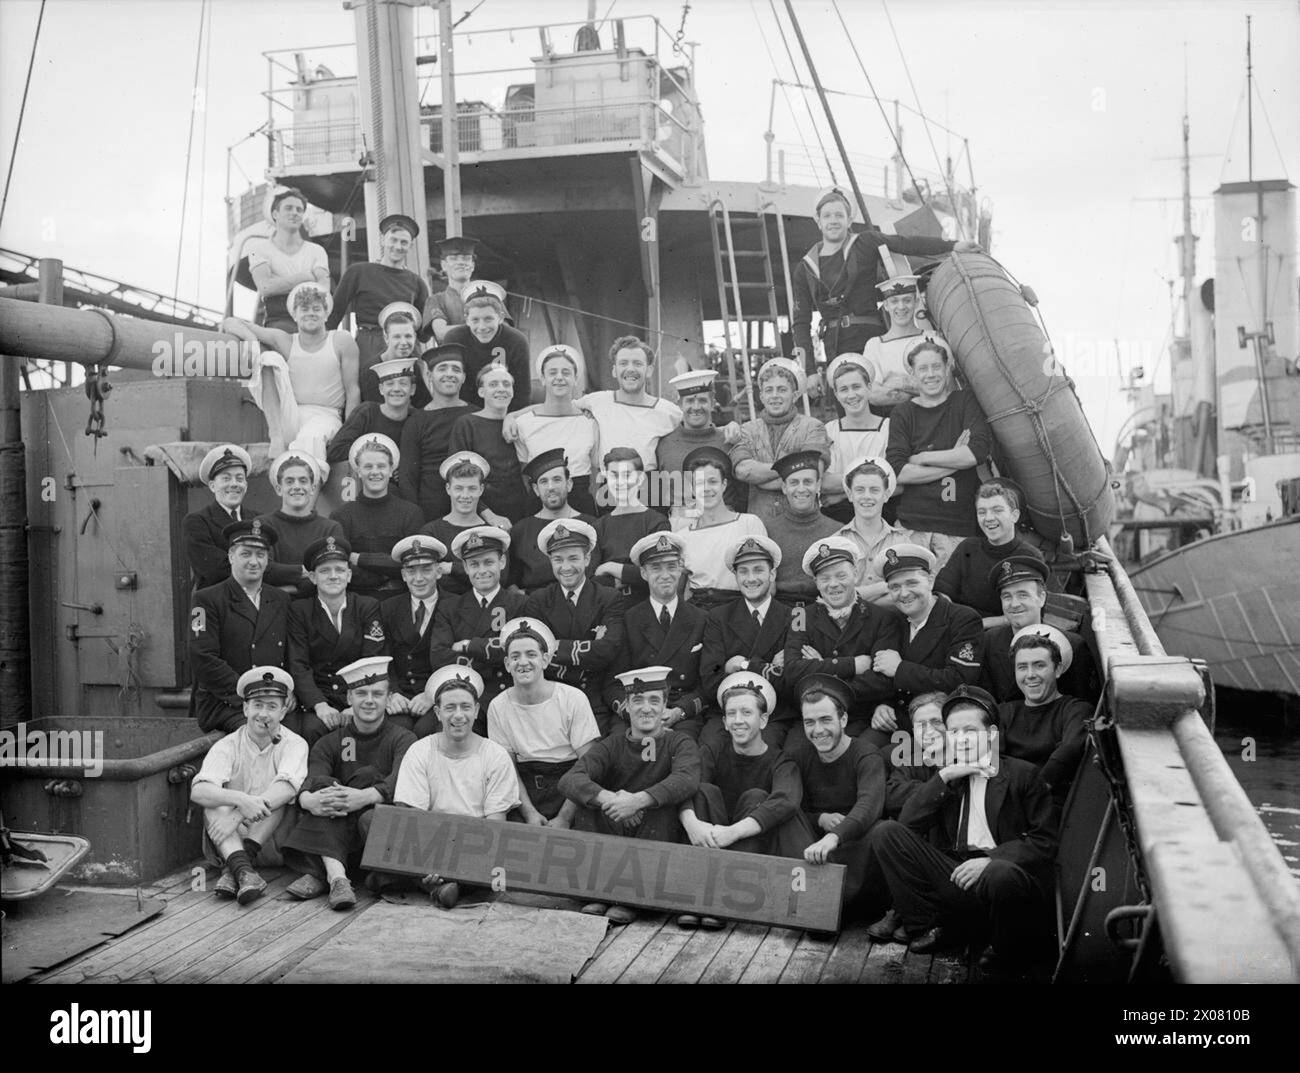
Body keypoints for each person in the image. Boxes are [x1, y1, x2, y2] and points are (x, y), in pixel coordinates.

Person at [867, 685, 1058, 977]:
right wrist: (943, 776)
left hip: (1002, 878)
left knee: (998, 874)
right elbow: (908, 822)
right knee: (886, 833)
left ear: (991, 735)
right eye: (954, 732)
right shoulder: (950, 776)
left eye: (970, 731)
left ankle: (1004, 947)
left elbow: (1044, 842)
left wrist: (991, 858)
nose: (961, 739)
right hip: (957, 873)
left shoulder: (1022, 774)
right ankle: (934, 925)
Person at [558, 665, 703, 924]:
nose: (646, 708)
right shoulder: (613, 744)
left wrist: (637, 801)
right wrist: (611, 800)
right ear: (626, 705)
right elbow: (570, 779)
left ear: (664, 705)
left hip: (655, 836)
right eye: (637, 700)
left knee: (666, 802)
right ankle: (600, 891)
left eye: (654, 700)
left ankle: (633, 898)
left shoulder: (680, 742)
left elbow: (687, 779)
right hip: (615, 827)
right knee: (588, 799)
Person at [677, 671, 812, 929]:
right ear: (725, 722)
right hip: (709, 836)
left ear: (763, 720)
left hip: (750, 857)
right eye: (731, 714)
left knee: (757, 797)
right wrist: (691, 821)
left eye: (747, 713)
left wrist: (733, 832)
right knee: (703, 791)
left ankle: (723, 900)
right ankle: (700, 899)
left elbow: (787, 801)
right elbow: (685, 784)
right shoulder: (713, 750)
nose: (738, 721)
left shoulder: (780, 760)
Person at [281, 656, 416, 909]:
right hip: (336, 830)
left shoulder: (403, 739)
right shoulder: (330, 742)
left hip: (374, 839)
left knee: (367, 776)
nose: (369, 700)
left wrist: (364, 797)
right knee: (324, 783)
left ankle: (321, 874)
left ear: (388, 699)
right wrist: (307, 799)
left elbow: (401, 780)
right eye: (361, 693)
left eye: (377, 694)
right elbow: (312, 779)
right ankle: (338, 878)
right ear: (348, 699)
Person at [789, 186, 973, 371]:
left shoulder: (865, 243)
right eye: (827, 216)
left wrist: (954, 245)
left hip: (872, 342)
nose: (833, 221)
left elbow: (905, 244)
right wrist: (809, 371)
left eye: (839, 215)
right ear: (818, 221)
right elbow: (801, 322)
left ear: (849, 219)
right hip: (835, 347)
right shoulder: (804, 268)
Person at [392, 665, 522, 908]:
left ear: (476, 711)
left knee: (509, 848)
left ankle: (432, 883)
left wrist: (455, 860)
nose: (458, 715)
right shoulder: (420, 750)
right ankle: (442, 883)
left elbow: (495, 823)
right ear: (438, 712)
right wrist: (428, 860)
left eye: (465, 707)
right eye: (450, 708)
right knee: (372, 822)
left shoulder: (495, 754)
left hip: (476, 842)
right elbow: (412, 818)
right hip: (428, 841)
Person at [189, 665, 308, 904]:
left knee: (279, 797)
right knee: (214, 802)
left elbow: (287, 788)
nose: (263, 714)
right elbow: (198, 791)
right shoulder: (227, 745)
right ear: (245, 708)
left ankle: (238, 867)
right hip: (228, 840)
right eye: (257, 705)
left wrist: (238, 813)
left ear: (283, 712)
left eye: (272, 706)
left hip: (274, 843)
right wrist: (240, 801)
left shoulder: (295, 743)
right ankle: (244, 872)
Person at [885, 339, 993, 569]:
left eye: (936, 367)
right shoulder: (903, 413)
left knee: (952, 599)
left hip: (958, 526)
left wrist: (923, 458)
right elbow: (898, 471)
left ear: (947, 369)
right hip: (912, 525)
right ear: (912, 375)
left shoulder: (964, 401)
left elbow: (977, 452)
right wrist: (955, 460)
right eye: (923, 369)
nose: (930, 374)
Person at [225, 281, 359, 466]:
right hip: (292, 413)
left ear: (326, 314)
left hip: (326, 415)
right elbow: (230, 322)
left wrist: (348, 434)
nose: (310, 313)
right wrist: (250, 339)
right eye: (304, 309)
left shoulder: (341, 340)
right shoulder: (285, 340)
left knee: (309, 438)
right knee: (268, 358)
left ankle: (309, 488)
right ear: (294, 315)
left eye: (316, 308)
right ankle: (276, 436)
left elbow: (353, 391)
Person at [792, 673, 890, 920]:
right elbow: (792, 807)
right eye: (809, 722)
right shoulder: (800, 755)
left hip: (854, 842)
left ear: (843, 718)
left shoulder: (865, 754)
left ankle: (833, 907)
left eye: (826, 720)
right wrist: (820, 819)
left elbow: (869, 805)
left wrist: (835, 836)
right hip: (814, 844)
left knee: (883, 830)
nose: (818, 730)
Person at [487, 617, 602, 825]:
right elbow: (507, 768)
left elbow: (589, 764)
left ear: (545, 659)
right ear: (507, 664)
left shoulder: (572, 698)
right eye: (515, 656)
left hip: (571, 789)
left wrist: (565, 818)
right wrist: (529, 813)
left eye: (531, 654)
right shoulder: (497, 706)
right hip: (525, 794)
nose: (523, 662)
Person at [867, 543, 984, 746]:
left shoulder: (962, 619)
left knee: (895, 759)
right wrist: (881, 705)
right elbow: (880, 675)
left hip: (944, 723)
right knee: (864, 750)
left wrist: (900, 669)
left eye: (911, 583)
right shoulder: (893, 620)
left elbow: (960, 680)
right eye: (895, 587)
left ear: (930, 580)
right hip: (899, 719)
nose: (903, 593)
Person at [782, 537, 897, 742]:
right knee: (794, 752)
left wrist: (819, 668)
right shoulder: (800, 616)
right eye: (824, 578)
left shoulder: (882, 618)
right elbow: (791, 671)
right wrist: (853, 665)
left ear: (855, 573)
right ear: (816, 582)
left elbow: (882, 681)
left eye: (841, 575)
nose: (833, 585)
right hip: (814, 718)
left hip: (863, 716)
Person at [520, 519, 623, 733]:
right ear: (550, 561)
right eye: (558, 559)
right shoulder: (538, 601)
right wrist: (590, 646)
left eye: (573, 558)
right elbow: (536, 656)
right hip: (552, 700)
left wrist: (554, 645)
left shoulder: (608, 598)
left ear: (587, 558)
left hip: (595, 700)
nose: (566, 567)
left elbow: (608, 650)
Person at [190, 519, 291, 734]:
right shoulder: (206, 599)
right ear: (231, 557)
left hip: (273, 700)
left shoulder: (281, 599)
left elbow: (291, 652)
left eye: (260, 555)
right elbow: (203, 657)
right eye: (246, 554)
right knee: (264, 734)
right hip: (227, 703)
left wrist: (288, 692)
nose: (254, 562)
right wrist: (251, 694)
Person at [605, 532, 709, 741]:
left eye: (672, 566)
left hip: (682, 713)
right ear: (643, 573)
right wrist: (633, 712)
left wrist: (680, 711)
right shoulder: (628, 619)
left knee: (684, 752)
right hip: (636, 710)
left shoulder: (702, 619)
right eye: (655, 568)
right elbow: (611, 684)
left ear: (681, 568)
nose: (665, 575)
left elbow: (708, 682)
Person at [285, 536, 386, 746]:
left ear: (349, 575)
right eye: (325, 571)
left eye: (339, 570)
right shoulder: (300, 610)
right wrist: (318, 704)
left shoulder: (366, 606)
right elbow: (298, 664)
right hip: (320, 695)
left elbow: (371, 658)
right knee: (312, 730)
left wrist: (355, 702)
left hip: (357, 692)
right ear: (312, 577)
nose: (333, 576)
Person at [426, 526, 525, 732]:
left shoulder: (520, 604)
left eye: (489, 562)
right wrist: (492, 660)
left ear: (502, 562)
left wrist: (467, 645)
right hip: (465, 697)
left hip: (508, 695)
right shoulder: (450, 607)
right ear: (465, 566)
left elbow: (518, 653)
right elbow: (439, 657)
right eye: (474, 564)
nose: (482, 571)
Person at [699, 536, 794, 751]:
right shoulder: (718, 617)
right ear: (735, 576)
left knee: (766, 749)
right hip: (726, 713)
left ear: (772, 573)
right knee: (710, 747)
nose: (751, 578)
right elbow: (710, 677)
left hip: (774, 715)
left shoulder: (794, 616)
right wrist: (769, 667)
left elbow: (791, 680)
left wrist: (740, 665)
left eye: (758, 570)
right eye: (743, 571)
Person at [327, 212, 432, 404]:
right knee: (370, 395)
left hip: (404, 346)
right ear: (383, 239)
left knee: (414, 398)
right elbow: (333, 315)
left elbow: (424, 333)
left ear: (410, 246)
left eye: (404, 242)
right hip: (369, 343)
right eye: (393, 239)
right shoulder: (358, 272)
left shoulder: (416, 283)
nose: (398, 246)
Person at [566, 336, 682, 498]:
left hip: (650, 489)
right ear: (614, 370)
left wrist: (728, 427)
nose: (630, 369)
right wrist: (516, 418)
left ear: (649, 370)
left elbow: (696, 429)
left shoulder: (669, 412)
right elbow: (559, 408)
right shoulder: (597, 401)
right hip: (610, 489)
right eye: (623, 363)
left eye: (637, 363)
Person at [325, 323, 429, 499]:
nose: (396, 389)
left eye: (403, 384)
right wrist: (378, 459)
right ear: (381, 389)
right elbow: (336, 451)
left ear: (412, 390)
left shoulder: (418, 420)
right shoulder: (366, 413)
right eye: (389, 384)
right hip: (365, 489)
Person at [981, 556, 1097, 702]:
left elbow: (1083, 703)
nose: (1014, 604)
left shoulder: (1072, 645)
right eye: (1007, 597)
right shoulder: (990, 641)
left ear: (1041, 598)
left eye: (1023, 595)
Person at [729, 357, 832, 521]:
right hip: (760, 524)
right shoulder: (747, 430)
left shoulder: (814, 427)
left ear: (795, 395)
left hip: (803, 522)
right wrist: (792, 469)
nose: (774, 396)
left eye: (782, 389)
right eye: (769, 390)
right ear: (761, 396)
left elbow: (811, 474)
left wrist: (760, 479)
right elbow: (744, 471)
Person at [997, 627, 1091, 801]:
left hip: (1051, 806)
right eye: (1022, 667)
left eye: (1039, 665)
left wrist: (1034, 793)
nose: (1030, 675)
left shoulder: (1075, 710)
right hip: (1008, 803)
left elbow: (1070, 749)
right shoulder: (1003, 712)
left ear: (1057, 670)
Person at [935, 479, 1046, 623]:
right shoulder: (968, 547)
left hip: (1002, 631)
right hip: (959, 626)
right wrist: (951, 617)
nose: (988, 518)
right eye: (982, 512)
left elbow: (1029, 611)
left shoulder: (1029, 556)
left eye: (997, 510)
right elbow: (944, 590)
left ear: (1014, 515)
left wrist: (979, 624)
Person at [331, 433, 425, 601]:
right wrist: (386, 571)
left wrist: (360, 558)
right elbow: (342, 566)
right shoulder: (341, 516)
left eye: (381, 466)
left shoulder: (411, 513)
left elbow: (413, 563)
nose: (375, 472)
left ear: (391, 470)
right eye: (368, 466)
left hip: (401, 599)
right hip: (357, 599)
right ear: (358, 471)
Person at [834, 455, 939, 606]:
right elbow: (837, 598)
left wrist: (858, 597)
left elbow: (911, 595)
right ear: (850, 495)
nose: (867, 496)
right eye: (860, 490)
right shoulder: (837, 543)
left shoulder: (903, 543)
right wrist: (885, 586)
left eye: (874, 490)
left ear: (886, 494)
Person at [511, 344, 601, 515]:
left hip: (580, 502)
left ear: (575, 379)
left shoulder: (590, 422)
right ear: (543, 379)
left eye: (566, 373)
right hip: (539, 504)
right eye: (552, 373)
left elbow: (596, 470)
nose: (559, 378)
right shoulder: (524, 423)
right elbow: (523, 472)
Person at [678, 446, 767, 611]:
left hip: (741, 610)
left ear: (724, 484)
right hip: (700, 613)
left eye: (712, 481)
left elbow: (767, 582)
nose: (706, 489)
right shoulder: (683, 536)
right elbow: (678, 591)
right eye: (699, 483)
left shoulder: (748, 524)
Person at [655, 369, 748, 523]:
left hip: (725, 521)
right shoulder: (664, 444)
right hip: (681, 522)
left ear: (712, 403)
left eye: (703, 401)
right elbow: (658, 493)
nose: (696, 407)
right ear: (680, 404)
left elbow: (743, 491)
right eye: (690, 401)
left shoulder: (728, 440)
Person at [448, 361, 535, 523]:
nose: (501, 389)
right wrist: (488, 515)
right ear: (481, 391)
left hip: (523, 512)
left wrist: (512, 416)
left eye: (506, 384)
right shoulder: (467, 424)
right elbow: (456, 476)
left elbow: (544, 407)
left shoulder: (522, 423)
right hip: (482, 515)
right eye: (493, 384)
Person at [379, 535, 448, 733]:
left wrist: (433, 693)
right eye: (411, 570)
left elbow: (456, 660)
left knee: (429, 730)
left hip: (439, 695)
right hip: (400, 696)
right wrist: (391, 692)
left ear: (439, 571)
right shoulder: (388, 608)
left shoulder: (454, 606)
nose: (418, 578)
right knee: (396, 732)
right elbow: (380, 656)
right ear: (403, 575)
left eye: (426, 569)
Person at [508, 448, 599, 592]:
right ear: (536, 489)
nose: (551, 487)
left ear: (569, 484)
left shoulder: (591, 525)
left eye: (557, 479)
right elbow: (511, 582)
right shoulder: (521, 531)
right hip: (534, 606)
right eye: (544, 482)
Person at [245, 188, 331, 332]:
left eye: (299, 210)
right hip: (279, 319)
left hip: (312, 317)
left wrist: (280, 284)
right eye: (288, 208)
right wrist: (304, 277)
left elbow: (324, 289)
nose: (295, 213)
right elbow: (265, 288)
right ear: (275, 214)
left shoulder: (316, 250)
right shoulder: (258, 249)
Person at [763, 450, 843, 605]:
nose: (801, 489)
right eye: (794, 483)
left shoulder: (837, 531)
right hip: (779, 608)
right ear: (784, 488)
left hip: (824, 606)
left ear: (818, 485)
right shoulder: (767, 529)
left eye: (808, 482)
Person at [862, 275, 949, 416]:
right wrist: (920, 391)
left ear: (916, 302)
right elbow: (874, 395)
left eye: (907, 300)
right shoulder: (874, 345)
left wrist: (899, 384)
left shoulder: (933, 338)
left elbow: (945, 385)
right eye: (894, 301)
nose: (901, 307)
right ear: (886, 305)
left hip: (935, 416)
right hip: (894, 421)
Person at [258, 451, 342, 598]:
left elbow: (332, 574)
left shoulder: (330, 528)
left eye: (303, 481)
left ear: (312, 488)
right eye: (289, 481)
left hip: (316, 611)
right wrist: (304, 572)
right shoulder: (263, 525)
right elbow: (262, 568)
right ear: (279, 489)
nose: (297, 486)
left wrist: (287, 587)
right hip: (273, 610)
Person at [420, 451, 502, 597]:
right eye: (459, 488)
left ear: (481, 489)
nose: (465, 495)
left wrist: (451, 568)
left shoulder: (492, 532)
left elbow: (500, 577)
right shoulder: (431, 532)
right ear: (448, 489)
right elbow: (429, 575)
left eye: (472, 488)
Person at [441, 280, 532, 411]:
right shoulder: (454, 338)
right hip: (464, 414)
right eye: (475, 320)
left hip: (504, 412)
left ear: (500, 317)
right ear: (466, 319)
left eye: (488, 319)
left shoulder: (517, 340)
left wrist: (511, 419)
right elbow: (449, 387)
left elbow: (522, 393)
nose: (482, 327)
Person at [592, 447, 670, 599]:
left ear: (640, 479)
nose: (620, 482)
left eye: (627, 475)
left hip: (647, 604)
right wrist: (631, 575)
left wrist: (610, 567)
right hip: (608, 604)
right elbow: (591, 578)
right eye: (614, 475)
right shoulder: (599, 526)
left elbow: (658, 572)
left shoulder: (657, 522)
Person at [410, 341, 476, 519]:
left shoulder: (476, 414)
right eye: (442, 368)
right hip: (430, 509)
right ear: (430, 375)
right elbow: (409, 478)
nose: (449, 374)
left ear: (463, 377)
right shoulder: (417, 420)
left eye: (456, 369)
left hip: (472, 507)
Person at [821, 354, 890, 523]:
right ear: (836, 394)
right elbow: (824, 483)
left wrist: (842, 493)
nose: (851, 395)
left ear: (869, 387)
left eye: (856, 386)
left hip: (883, 514)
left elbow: (896, 482)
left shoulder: (889, 427)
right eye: (844, 389)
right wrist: (874, 481)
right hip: (838, 516)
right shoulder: (829, 430)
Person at [184, 444, 253, 591]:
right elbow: (215, 570)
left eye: (239, 479)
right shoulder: (197, 521)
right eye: (226, 479)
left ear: (245, 485)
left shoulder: (259, 520)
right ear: (212, 486)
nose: (234, 484)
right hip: (217, 608)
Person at [422, 235, 479, 343]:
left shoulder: (489, 296)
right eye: (454, 258)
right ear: (444, 265)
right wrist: (482, 326)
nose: (461, 262)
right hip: (451, 358)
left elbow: (504, 329)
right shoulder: (436, 300)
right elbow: (441, 333)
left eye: (466, 258)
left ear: (472, 266)